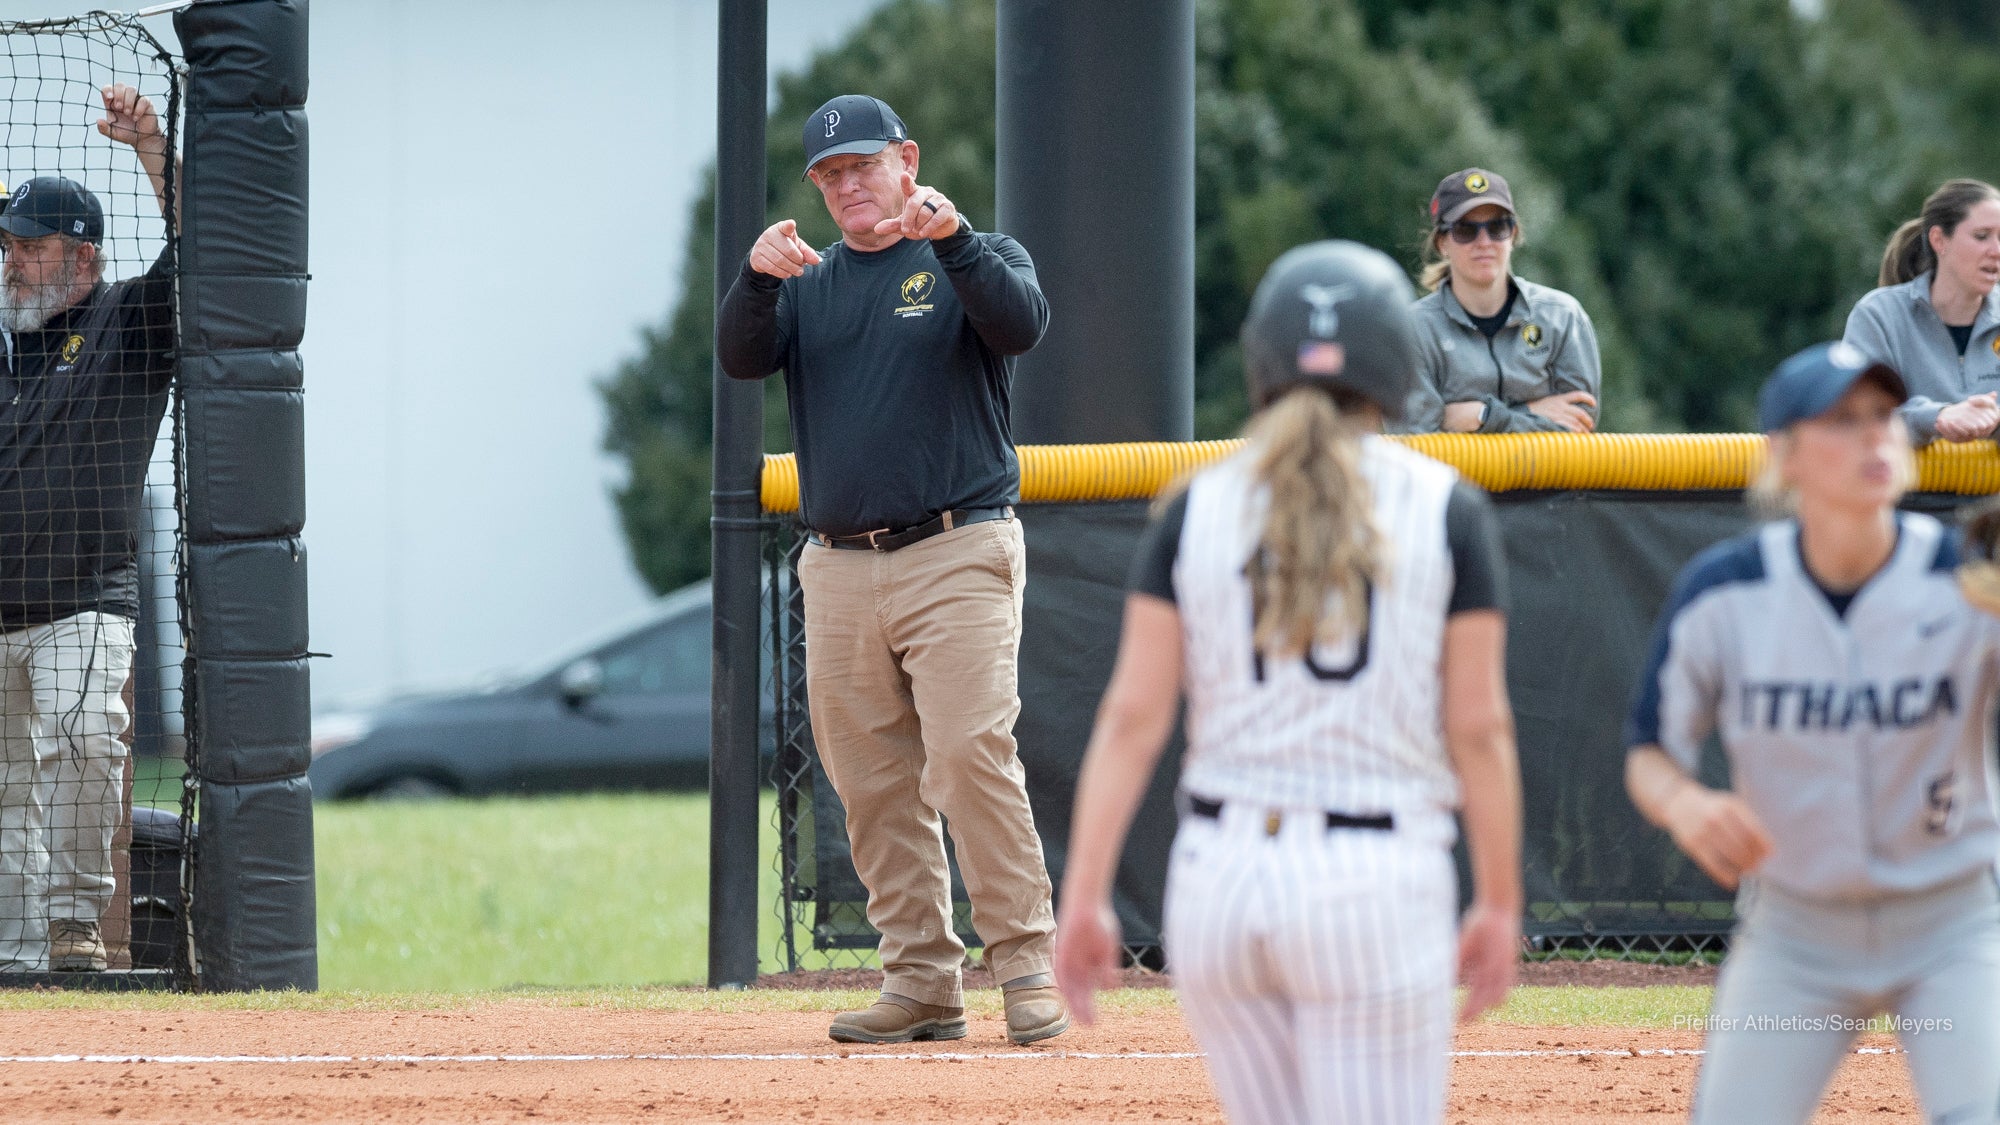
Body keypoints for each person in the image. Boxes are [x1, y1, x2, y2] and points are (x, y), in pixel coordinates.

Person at [1054, 240, 1524, 1123]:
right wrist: (1499, 898)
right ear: (1394, 364)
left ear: (1262, 364)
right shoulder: (1443, 505)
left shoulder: (1197, 503)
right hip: (1374, 882)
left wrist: (1082, 895)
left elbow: (1132, 717)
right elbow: (1480, 728)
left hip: (1220, 886)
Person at [716, 94, 1065, 1045]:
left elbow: (1022, 323)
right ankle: (921, 981)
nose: (847, 186)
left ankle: (1026, 963)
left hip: (957, 546)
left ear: (907, 160)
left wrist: (952, 239)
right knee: (869, 777)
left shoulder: (972, 254)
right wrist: (753, 276)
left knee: (965, 753)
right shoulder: (808, 282)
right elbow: (740, 358)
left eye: (863, 166)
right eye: (829, 176)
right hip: (838, 563)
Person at [1624, 341, 2000, 1123]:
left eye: (1881, 416)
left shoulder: (1966, 578)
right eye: (1842, 420)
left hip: (1952, 921)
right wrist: (1685, 805)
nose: (1874, 436)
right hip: (1796, 929)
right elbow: (1651, 753)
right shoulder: (1725, 592)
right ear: (1784, 455)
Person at [0, 83, 179, 972]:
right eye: (8, 245)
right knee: (4, 795)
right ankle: (15, 952)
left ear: (83, 257)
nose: (12, 261)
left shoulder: (128, 321)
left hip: (83, 603)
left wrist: (151, 151)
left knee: (83, 737)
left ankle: (74, 929)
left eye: (29, 245)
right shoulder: (0, 343)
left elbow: (208, 253)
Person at [1400, 167, 1602, 435]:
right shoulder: (1412, 329)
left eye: (1497, 227)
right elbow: (1413, 436)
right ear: (1442, 244)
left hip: (1545, 478)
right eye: (1465, 230)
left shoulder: (1563, 316)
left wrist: (1483, 416)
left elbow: (1579, 421)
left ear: (1513, 234)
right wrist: (1532, 411)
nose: (1484, 242)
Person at [1842, 178, 2000, 445]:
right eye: (1981, 236)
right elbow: (1858, 417)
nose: (1996, 250)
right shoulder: (1878, 315)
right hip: (1901, 487)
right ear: (1939, 240)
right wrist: (1937, 417)